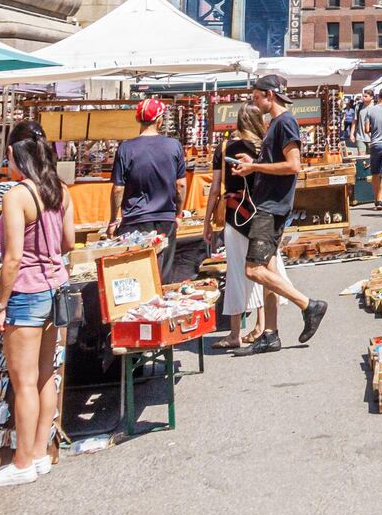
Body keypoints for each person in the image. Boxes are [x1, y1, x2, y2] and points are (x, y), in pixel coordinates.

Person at [0, 125, 74, 489]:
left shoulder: (18, 195)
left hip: (26, 290)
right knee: (46, 374)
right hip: (55, 287)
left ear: (17, 156)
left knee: (23, 382)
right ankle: (39, 453)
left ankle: (21, 461)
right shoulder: (60, 192)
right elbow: (68, 242)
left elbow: (13, 257)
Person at [227, 74, 328, 354]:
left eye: (256, 96)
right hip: (269, 204)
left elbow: (293, 165)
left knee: (254, 269)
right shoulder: (275, 124)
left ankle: (309, 305)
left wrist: (256, 169)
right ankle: (269, 334)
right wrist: (255, 161)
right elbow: (277, 163)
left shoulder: (284, 122)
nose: (254, 101)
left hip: (271, 208)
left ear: (270, 95)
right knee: (268, 270)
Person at [204, 106, 268, 350]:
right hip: (260, 212)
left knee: (236, 271)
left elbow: (215, 187)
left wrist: (207, 219)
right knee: (259, 268)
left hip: (234, 213)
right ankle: (261, 326)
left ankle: (234, 333)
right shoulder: (263, 147)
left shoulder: (225, 147)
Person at [107, 98, 188, 281]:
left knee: (136, 275)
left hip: (134, 220)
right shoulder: (174, 146)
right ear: (160, 119)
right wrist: (179, 214)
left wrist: (113, 220)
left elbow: (118, 189)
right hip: (165, 219)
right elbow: (181, 185)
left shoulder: (125, 148)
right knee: (162, 274)